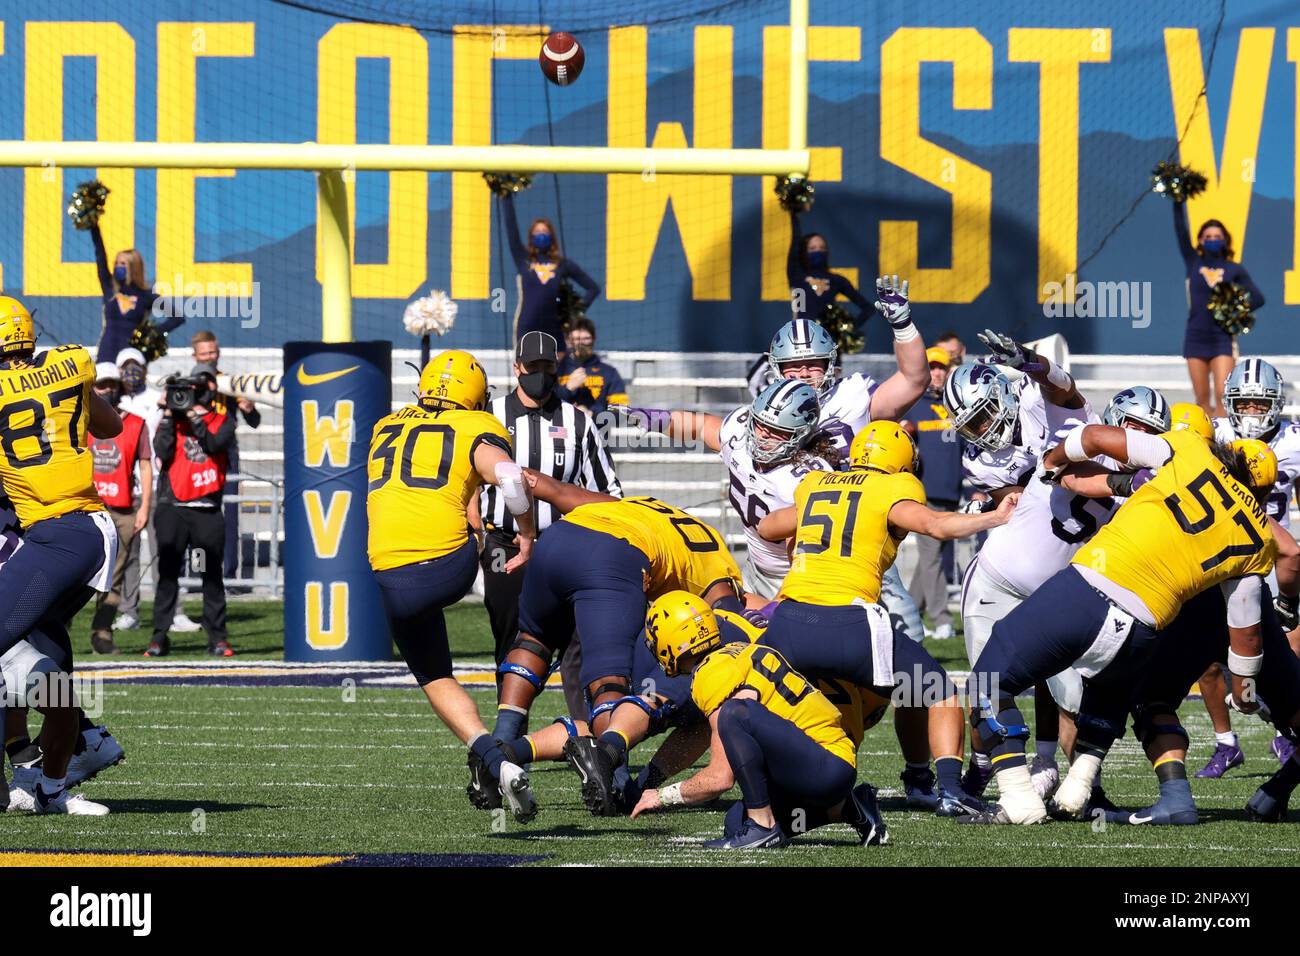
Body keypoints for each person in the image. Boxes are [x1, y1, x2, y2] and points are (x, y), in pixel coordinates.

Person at [961, 424, 1278, 826]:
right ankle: (1078, 785)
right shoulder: (1258, 538)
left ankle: (1018, 797)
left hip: (1092, 587)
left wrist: (1052, 461)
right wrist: (1246, 693)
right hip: (1147, 626)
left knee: (987, 681)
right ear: (1264, 494)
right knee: (1106, 695)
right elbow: (1247, 637)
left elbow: (1092, 437)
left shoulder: (1192, 450)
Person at [756, 421, 1017, 817]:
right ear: (900, 464)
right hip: (848, 620)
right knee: (936, 690)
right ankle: (945, 788)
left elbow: (767, 526)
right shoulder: (895, 487)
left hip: (789, 619)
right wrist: (994, 518)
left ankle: (761, 793)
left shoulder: (816, 485)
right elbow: (934, 526)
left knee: (761, 704)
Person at [368, 348, 540, 823]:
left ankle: (486, 751)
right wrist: (523, 536)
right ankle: (498, 759)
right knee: (474, 513)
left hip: (387, 572)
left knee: (434, 674)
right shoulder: (473, 426)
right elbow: (507, 475)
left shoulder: (385, 425)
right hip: (447, 567)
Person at [944, 334, 1110, 799]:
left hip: (1059, 570)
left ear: (1001, 396)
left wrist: (1033, 364)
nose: (978, 431)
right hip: (1010, 566)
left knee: (1067, 687)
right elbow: (1013, 505)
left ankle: (1065, 775)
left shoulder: (1040, 404)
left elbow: (1066, 391)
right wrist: (994, 505)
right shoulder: (980, 455)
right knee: (990, 684)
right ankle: (980, 769)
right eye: (968, 424)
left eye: (980, 417)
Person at [0, 295, 122, 813]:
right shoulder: (69, 366)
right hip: (89, 533)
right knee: (48, 666)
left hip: (59, 534)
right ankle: (55, 779)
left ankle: (48, 763)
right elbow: (111, 426)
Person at [637, 592, 879, 850]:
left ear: (670, 642)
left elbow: (719, 778)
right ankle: (847, 808)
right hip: (820, 760)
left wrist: (662, 796)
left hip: (825, 766)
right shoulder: (737, 650)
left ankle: (762, 827)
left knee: (734, 714)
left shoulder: (712, 674)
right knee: (735, 823)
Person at [473, 330, 621, 727]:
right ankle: (510, 731)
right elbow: (467, 479)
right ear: (517, 367)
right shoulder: (488, 417)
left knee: (577, 642)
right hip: (504, 541)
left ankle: (587, 734)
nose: (540, 373)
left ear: (558, 368)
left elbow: (607, 490)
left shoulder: (578, 421)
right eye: (532, 366)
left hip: (564, 546)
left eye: (548, 367)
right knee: (511, 639)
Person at [1193, 358, 1300, 777]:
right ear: (1229, 403)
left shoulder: (1293, 440)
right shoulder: (1213, 434)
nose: (1253, 411)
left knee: (1283, 653)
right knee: (1204, 653)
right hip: (1219, 555)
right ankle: (1225, 742)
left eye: (1260, 404)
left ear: (1275, 404)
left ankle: (1283, 725)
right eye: (1246, 403)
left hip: (1272, 555)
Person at [148, 363, 235, 657]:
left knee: (210, 575)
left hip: (206, 510)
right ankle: (159, 636)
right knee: (168, 573)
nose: (197, 393)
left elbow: (213, 444)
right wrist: (171, 416)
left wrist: (195, 418)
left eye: (205, 385)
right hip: (173, 508)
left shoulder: (222, 420)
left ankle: (217, 638)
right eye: (193, 388)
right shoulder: (173, 417)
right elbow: (162, 451)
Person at [1171, 204, 1265, 417]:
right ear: (1201, 241)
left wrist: (1235, 310)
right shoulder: (1193, 262)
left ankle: (1222, 448)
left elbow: (1258, 298)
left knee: (1224, 396)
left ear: (1224, 240)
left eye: (1217, 236)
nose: (1213, 239)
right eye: (1208, 236)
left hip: (1222, 338)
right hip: (1195, 337)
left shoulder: (1234, 269)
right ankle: (1207, 445)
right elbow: (1180, 231)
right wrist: (1178, 202)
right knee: (1202, 399)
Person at [87, 363, 153, 655]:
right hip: (87, 507)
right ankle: (56, 631)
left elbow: (146, 464)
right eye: (102, 384)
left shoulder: (137, 422)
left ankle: (102, 633)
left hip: (123, 509)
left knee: (114, 579)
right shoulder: (80, 418)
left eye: (112, 384)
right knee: (75, 576)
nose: (107, 389)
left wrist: (145, 507)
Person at [903, 346, 964, 641]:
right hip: (923, 495)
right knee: (932, 559)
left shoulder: (956, 406)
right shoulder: (911, 405)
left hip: (950, 494)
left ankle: (907, 613)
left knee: (930, 559)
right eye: (933, 367)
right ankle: (941, 618)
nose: (937, 373)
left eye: (941, 367)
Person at [192, 330, 260, 583]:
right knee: (197, 521)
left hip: (227, 457)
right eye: (205, 353)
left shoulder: (230, 384)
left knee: (230, 518)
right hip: (196, 459)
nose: (210, 357)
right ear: (194, 355)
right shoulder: (189, 383)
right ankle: (198, 576)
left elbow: (254, 422)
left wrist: (250, 409)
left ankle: (229, 575)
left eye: (213, 352)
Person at [497, 189, 600, 346]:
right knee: (527, 369)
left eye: (545, 232)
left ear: (552, 236)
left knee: (554, 370)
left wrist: (574, 312)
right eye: (537, 232)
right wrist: (506, 196)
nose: (541, 235)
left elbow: (593, 288)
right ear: (531, 237)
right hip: (527, 327)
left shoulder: (563, 264)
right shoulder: (523, 259)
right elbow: (512, 230)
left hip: (554, 329)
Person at [113, 347, 164, 632]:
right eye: (125, 366)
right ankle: (129, 610)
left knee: (161, 552)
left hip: (154, 482)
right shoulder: (115, 404)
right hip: (124, 486)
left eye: (136, 365)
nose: (131, 371)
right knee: (128, 554)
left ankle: (170, 609)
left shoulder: (157, 399)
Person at [88, 221, 183, 362]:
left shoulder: (147, 295)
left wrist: (153, 333)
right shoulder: (110, 287)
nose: (117, 267)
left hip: (132, 355)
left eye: (122, 264)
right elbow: (100, 256)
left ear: (134, 267)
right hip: (107, 351)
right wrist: (93, 225)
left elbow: (177, 317)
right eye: (116, 263)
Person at [786, 208, 872, 323]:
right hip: (799, 337)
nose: (818, 251)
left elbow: (868, 308)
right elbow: (796, 241)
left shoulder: (837, 280)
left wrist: (848, 331)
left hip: (826, 339)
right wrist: (794, 212)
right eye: (812, 248)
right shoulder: (797, 274)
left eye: (822, 248)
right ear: (804, 252)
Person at [554, 317, 629, 417]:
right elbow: (545, 405)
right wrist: (568, 388)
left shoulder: (609, 373)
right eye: (576, 339)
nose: (581, 343)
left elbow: (622, 411)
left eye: (586, 338)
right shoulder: (557, 369)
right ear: (569, 340)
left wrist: (593, 413)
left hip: (596, 429)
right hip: (562, 429)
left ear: (594, 339)